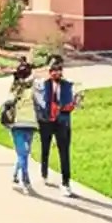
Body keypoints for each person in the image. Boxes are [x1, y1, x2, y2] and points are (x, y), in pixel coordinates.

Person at [35, 58, 81, 197]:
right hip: (47, 123)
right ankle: (44, 172)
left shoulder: (67, 86)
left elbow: (72, 102)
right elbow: (38, 102)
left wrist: (72, 104)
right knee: (45, 149)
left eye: (59, 70)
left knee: (64, 153)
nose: (56, 73)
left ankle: (65, 183)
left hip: (62, 123)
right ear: (49, 72)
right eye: (53, 70)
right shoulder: (43, 85)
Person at [3, 60, 38, 193]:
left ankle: (16, 174)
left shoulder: (27, 88)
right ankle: (25, 180)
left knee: (24, 153)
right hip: (20, 123)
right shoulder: (18, 89)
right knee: (23, 153)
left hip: (26, 124)